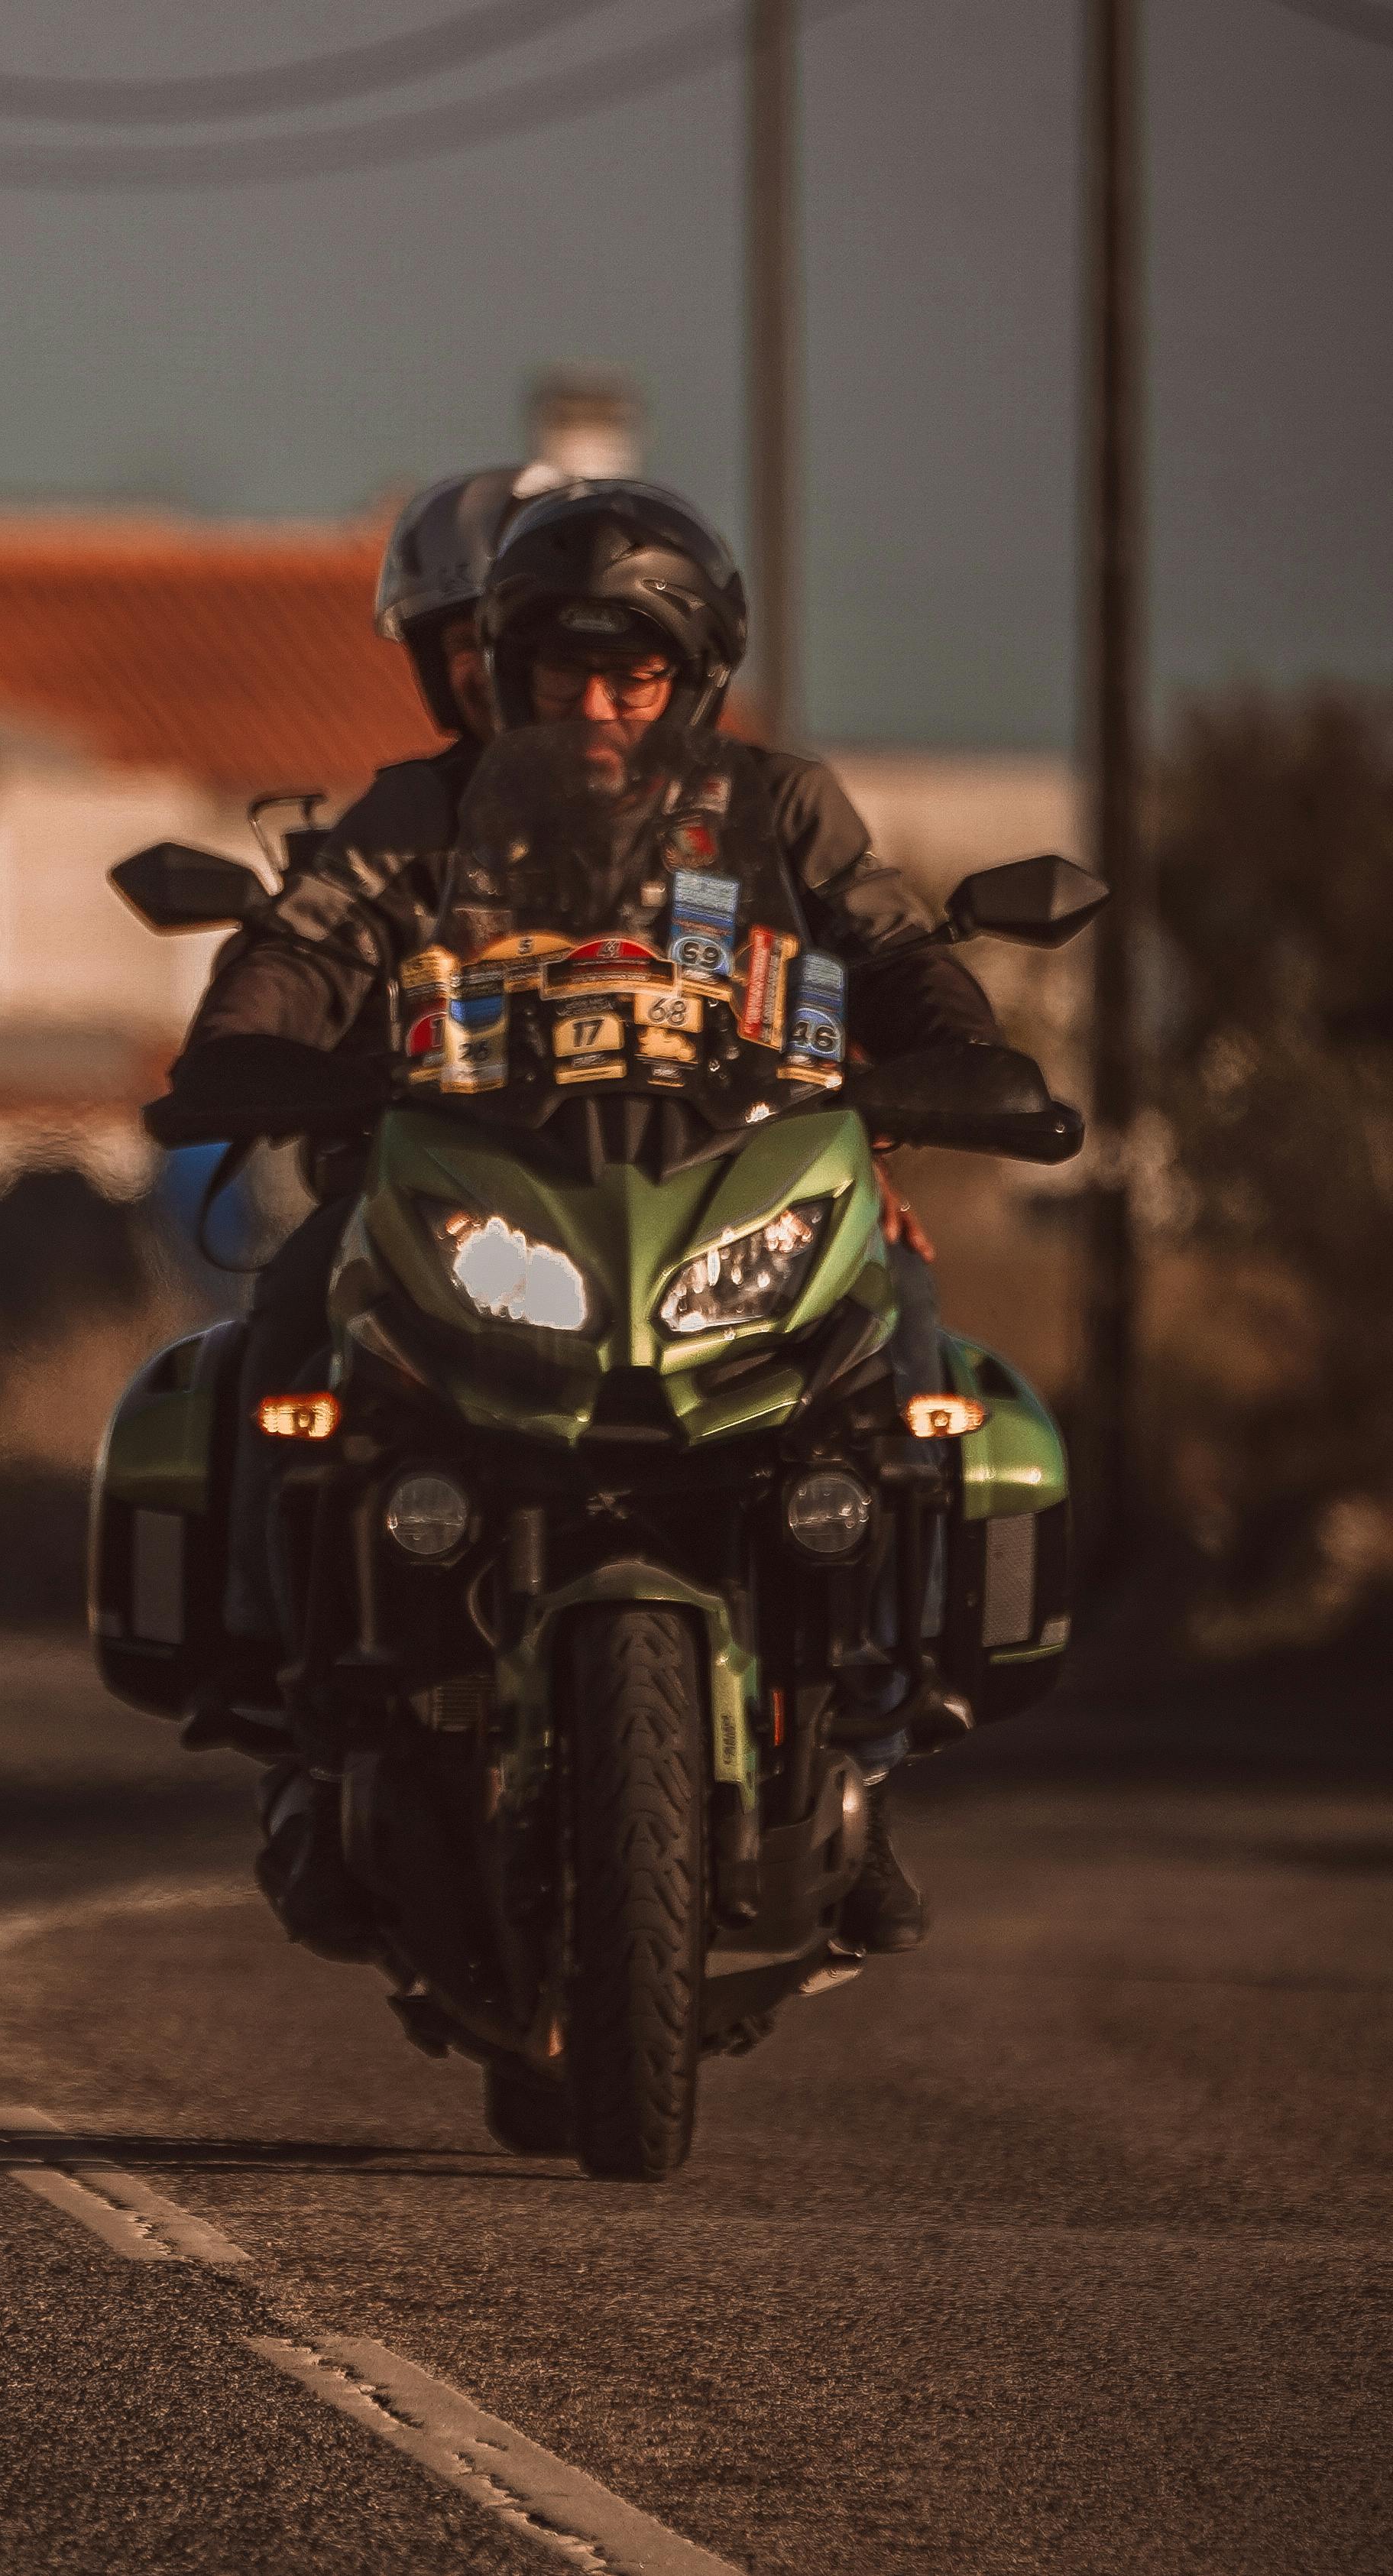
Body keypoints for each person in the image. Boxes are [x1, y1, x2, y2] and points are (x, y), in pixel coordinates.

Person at [172, 477, 990, 1958]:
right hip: (465, 1191)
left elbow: (886, 936)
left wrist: (959, 1046)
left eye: (637, 673)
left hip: (717, 1187)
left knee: (906, 1331)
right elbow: (308, 934)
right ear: (502, 663)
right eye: (564, 669)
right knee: (288, 1317)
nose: (598, 703)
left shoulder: (779, 805)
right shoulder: (416, 811)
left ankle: (871, 1733)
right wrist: (243, 1035)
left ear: (696, 679)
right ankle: (292, 1719)